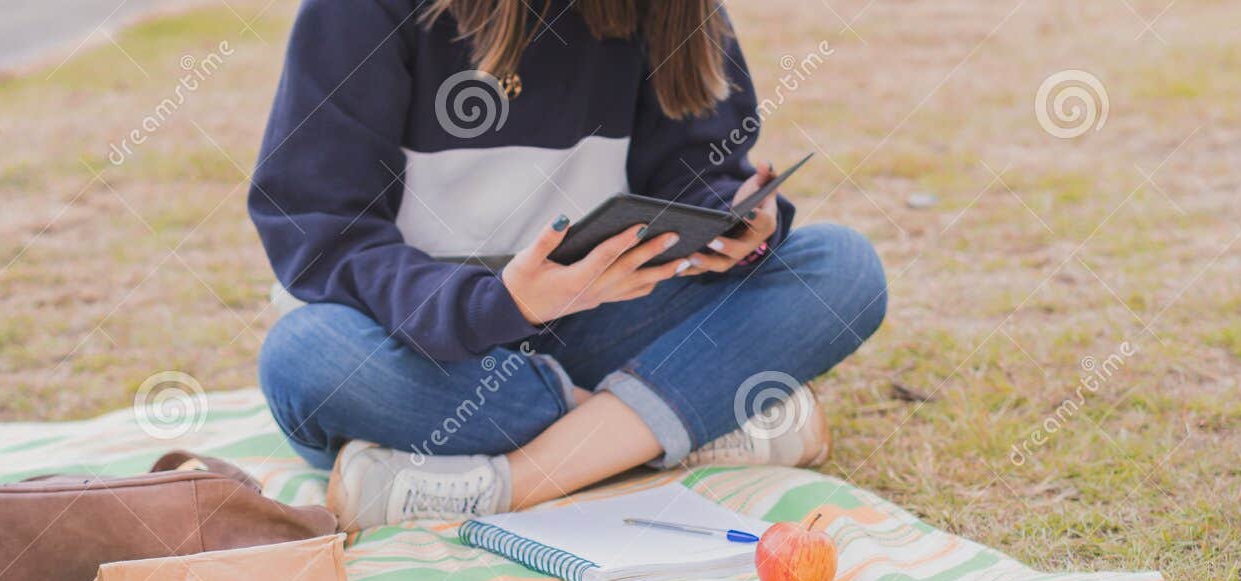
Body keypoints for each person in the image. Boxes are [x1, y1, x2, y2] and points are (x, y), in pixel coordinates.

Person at [250, 0, 888, 531]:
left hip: (595, 324)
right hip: (427, 347)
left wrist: (735, 222)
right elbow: (320, 227)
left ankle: (512, 483)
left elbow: (694, 174)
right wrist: (500, 304)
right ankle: (666, 424)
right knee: (308, 358)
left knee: (839, 269)